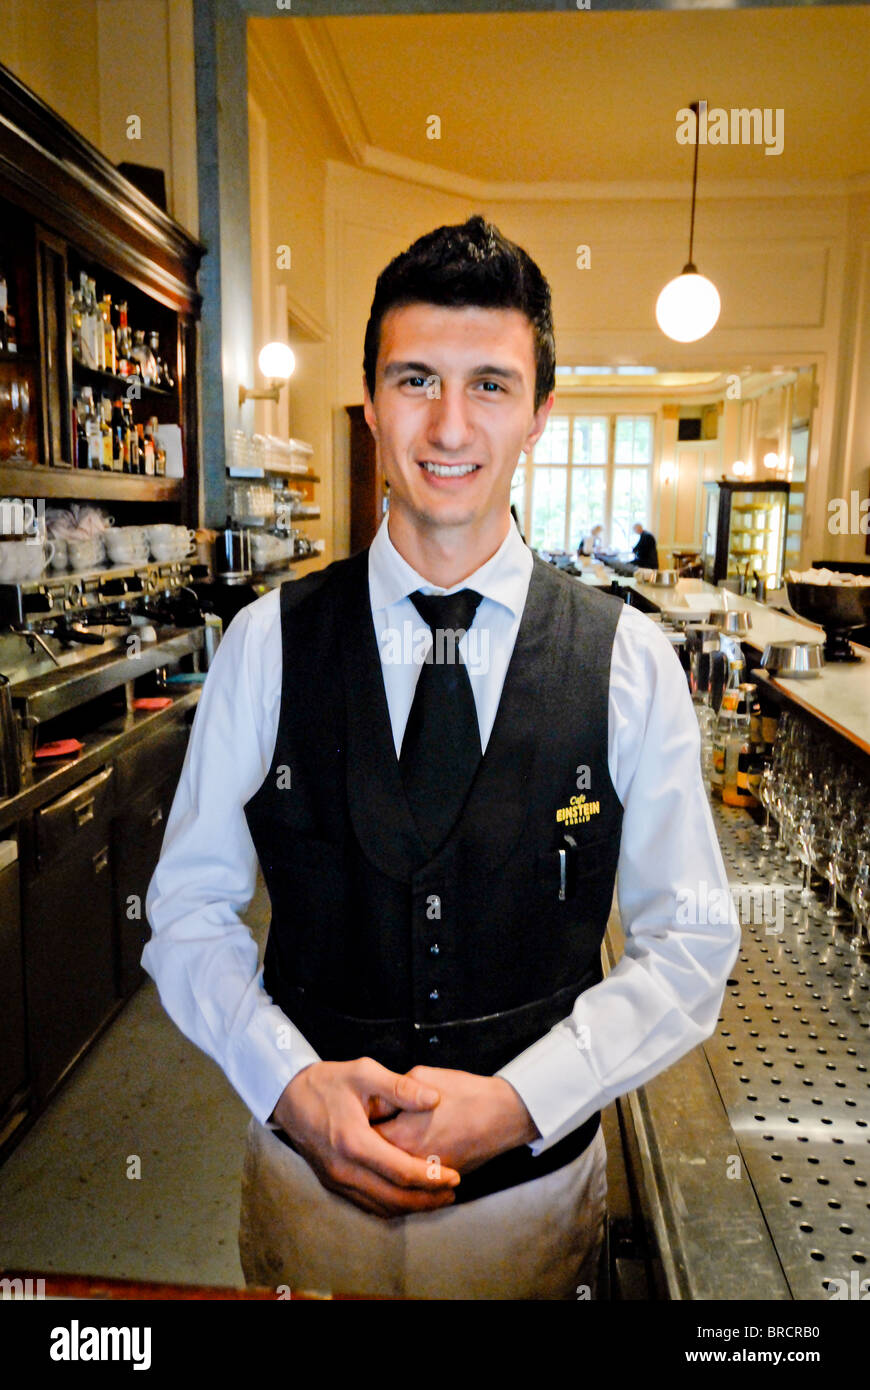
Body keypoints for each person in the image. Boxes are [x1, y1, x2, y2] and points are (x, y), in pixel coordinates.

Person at [143, 215, 739, 1301]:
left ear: (540, 417)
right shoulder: (267, 643)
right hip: (304, 1199)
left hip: (530, 1210)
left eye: (491, 385)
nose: (450, 422)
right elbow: (185, 910)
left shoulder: (629, 662)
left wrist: (520, 1101)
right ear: (373, 403)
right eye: (416, 378)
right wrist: (288, 1082)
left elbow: (691, 937)